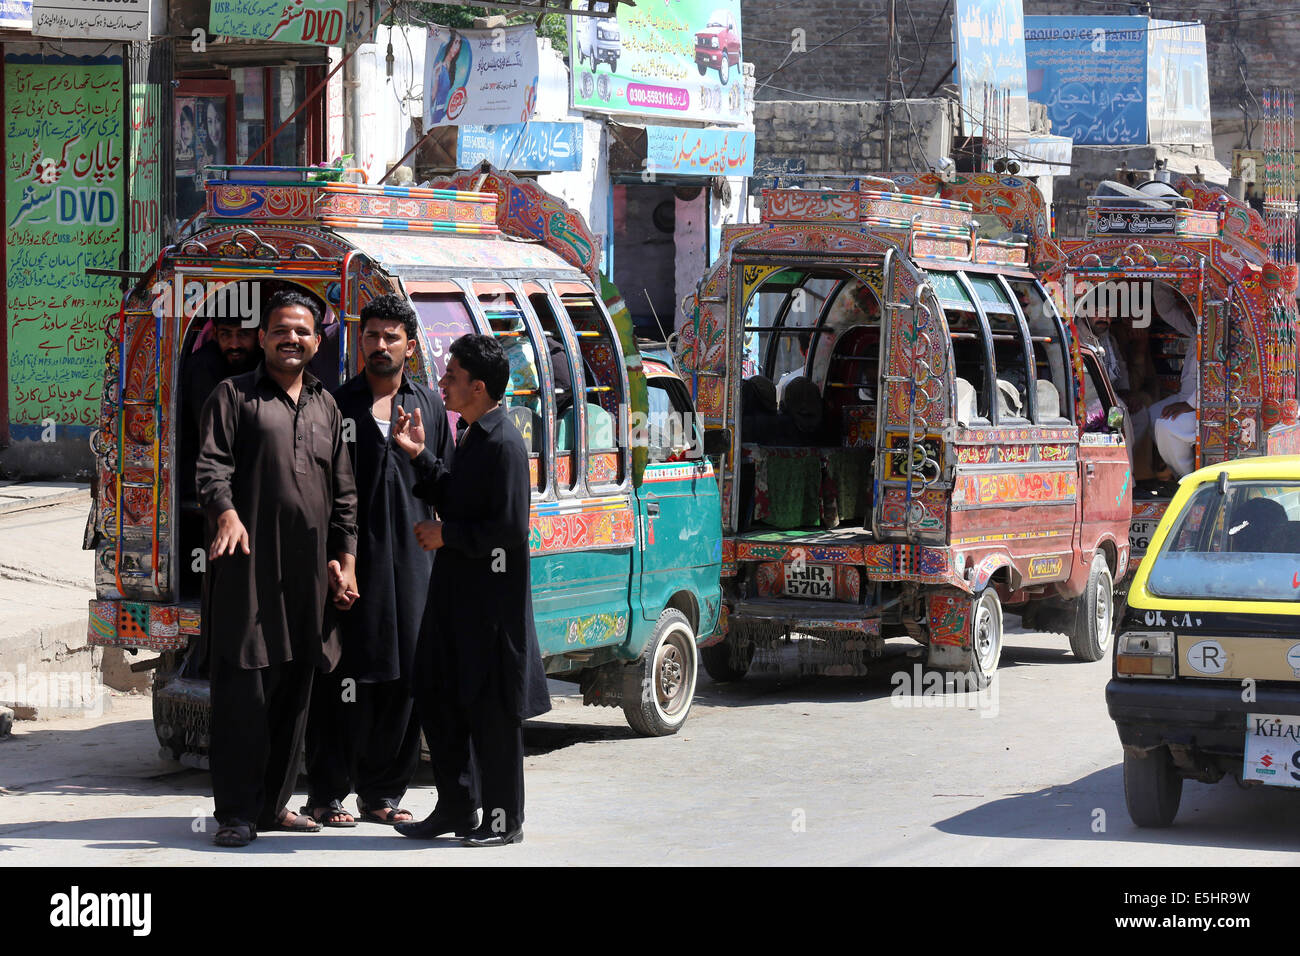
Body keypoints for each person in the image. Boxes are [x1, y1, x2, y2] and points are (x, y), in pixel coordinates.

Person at [196, 289, 359, 848]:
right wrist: (227, 514)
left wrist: (347, 561)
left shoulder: (326, 405)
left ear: (317, 341)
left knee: (294, 691)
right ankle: (235, 814)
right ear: (263, 337)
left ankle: (272, 804)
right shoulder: (232, 396)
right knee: (244, 695)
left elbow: (344, 496)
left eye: (303, 332)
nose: (292, 339)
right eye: (281, 330)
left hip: (308, 577)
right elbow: (211, 467)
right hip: (245, 570)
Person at [301, 295, 454, 827]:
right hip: (350, 561)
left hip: (414, 565)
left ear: (410, 347)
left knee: (404, 679)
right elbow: (316, 488)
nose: (380, 346)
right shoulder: (334, 405)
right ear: (359, 340)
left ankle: (383, 793)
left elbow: (445, 483)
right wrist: (331, 562)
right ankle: (326, 793)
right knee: (342, 677)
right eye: (372, 336)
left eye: (391, 337)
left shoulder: (430, 406)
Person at [392, 333, 551, 847]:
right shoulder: (472, 433)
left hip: (489, 608)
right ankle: (457, 808)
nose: (442, 384)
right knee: (439, 698)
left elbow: (507, 530)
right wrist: (418, 457)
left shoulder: (503, 442)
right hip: (454, 601)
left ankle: (504, 822)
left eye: (452, 376)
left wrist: (446, 534)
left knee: (492, 715)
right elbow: (459, 497)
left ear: (478, 387)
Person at [429, 31, 464, 124]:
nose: (457, 47)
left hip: (443, 116)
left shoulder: (453, 69)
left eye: (459, 43)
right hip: (435, 114)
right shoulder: (439, 67)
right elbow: (432, 96)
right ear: (450, 43)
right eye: (455, 42)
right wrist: (435, 77)